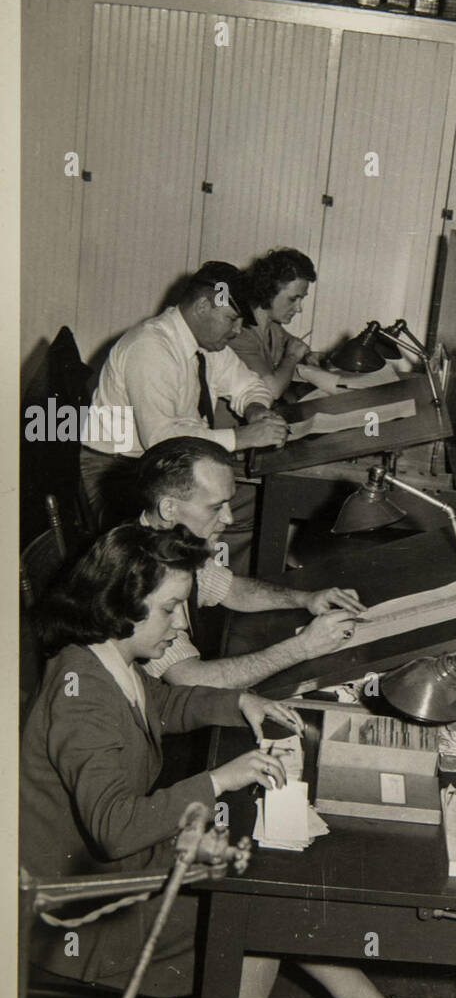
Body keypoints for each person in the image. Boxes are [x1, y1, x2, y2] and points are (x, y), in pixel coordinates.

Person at [20, 526, 439, 998]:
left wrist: (241, 702)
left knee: (267, 859)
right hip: (80, 908)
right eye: (168, 610)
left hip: (106, 869)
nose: (176, 626)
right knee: (256, 894)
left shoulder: (104, 659)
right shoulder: (82, 697)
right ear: (117, 603)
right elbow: (115, 830)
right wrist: (222, 777)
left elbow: (161, 704)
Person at [80, 261, 289, 566]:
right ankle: (202, 593)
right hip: (117, 472)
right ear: (203, 306)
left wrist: (255, 409)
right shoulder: (150, 347)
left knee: (256, 504)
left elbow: (249, 385)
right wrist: (240, 437)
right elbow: (161, 439)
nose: (237, 331)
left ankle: (210, 591)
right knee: (241, 512)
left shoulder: (206, 346)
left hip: (160, 465)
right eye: (231, 319)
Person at [135, 437, 362, 688]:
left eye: (229, 503)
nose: (229, 518)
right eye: (216, 507)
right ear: (168, 509)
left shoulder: (173, 544)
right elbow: (190, 680)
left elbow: (230, 589)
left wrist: (306, 599)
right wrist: (303, 647)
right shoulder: (137, 575)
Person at [228, 248, 328, 402]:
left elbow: (297, 347)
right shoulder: (239, 334)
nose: (299, 308)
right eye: (292, 299)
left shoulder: (273, 328)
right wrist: (293, 356)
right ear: (268, 291)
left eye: (301, 299)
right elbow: (271, 390)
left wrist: (308, 357)